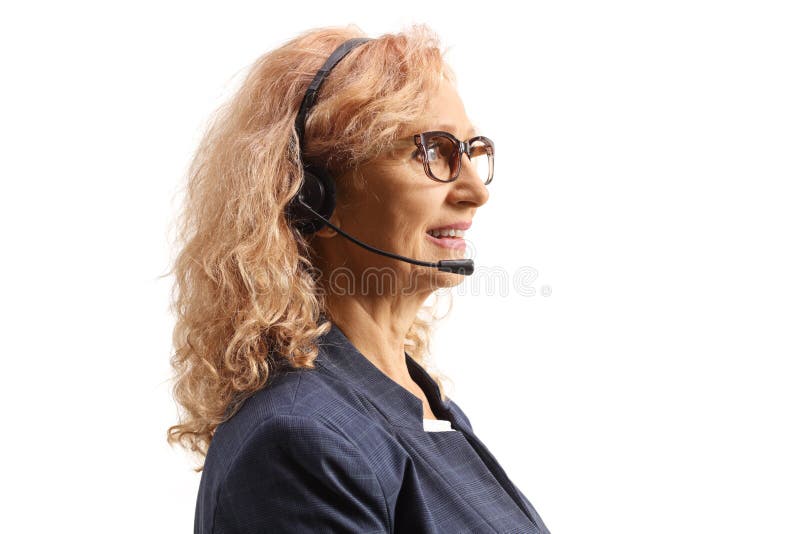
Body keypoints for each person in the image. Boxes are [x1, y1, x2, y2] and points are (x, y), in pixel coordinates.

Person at [167, 24, 550, 534]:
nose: (475, 191)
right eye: (432, 151)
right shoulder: (300, 440)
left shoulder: (419, 401)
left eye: (470, 150)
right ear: (310, 195)